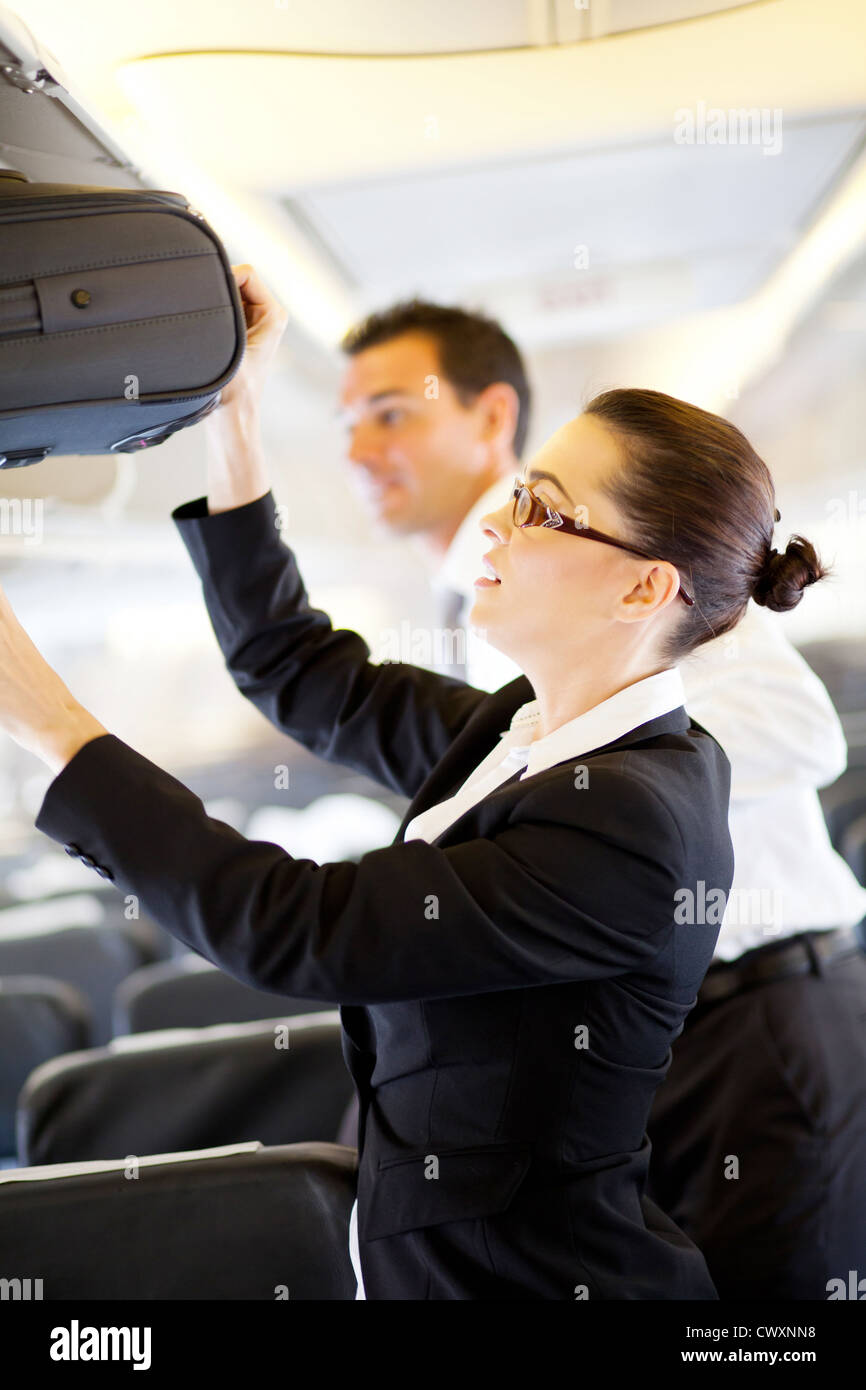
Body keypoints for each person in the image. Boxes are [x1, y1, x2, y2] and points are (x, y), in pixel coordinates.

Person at [0, 267, 827, 1301]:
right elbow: (300, 670)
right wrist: (234, 410)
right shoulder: (524, 730)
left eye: (538, 508)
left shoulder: (629, 815)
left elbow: (301, 927)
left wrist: (50, 719)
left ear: (641, 586)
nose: (493, 523)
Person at [338, 297, 866, 1298]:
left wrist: (587, 804)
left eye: (392, 412)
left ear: (490, 423)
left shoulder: (621, 534)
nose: (361, 446)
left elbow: (801, 729)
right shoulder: (495, 587)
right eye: (347, 419)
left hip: (764, 1021)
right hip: (658, 1042)